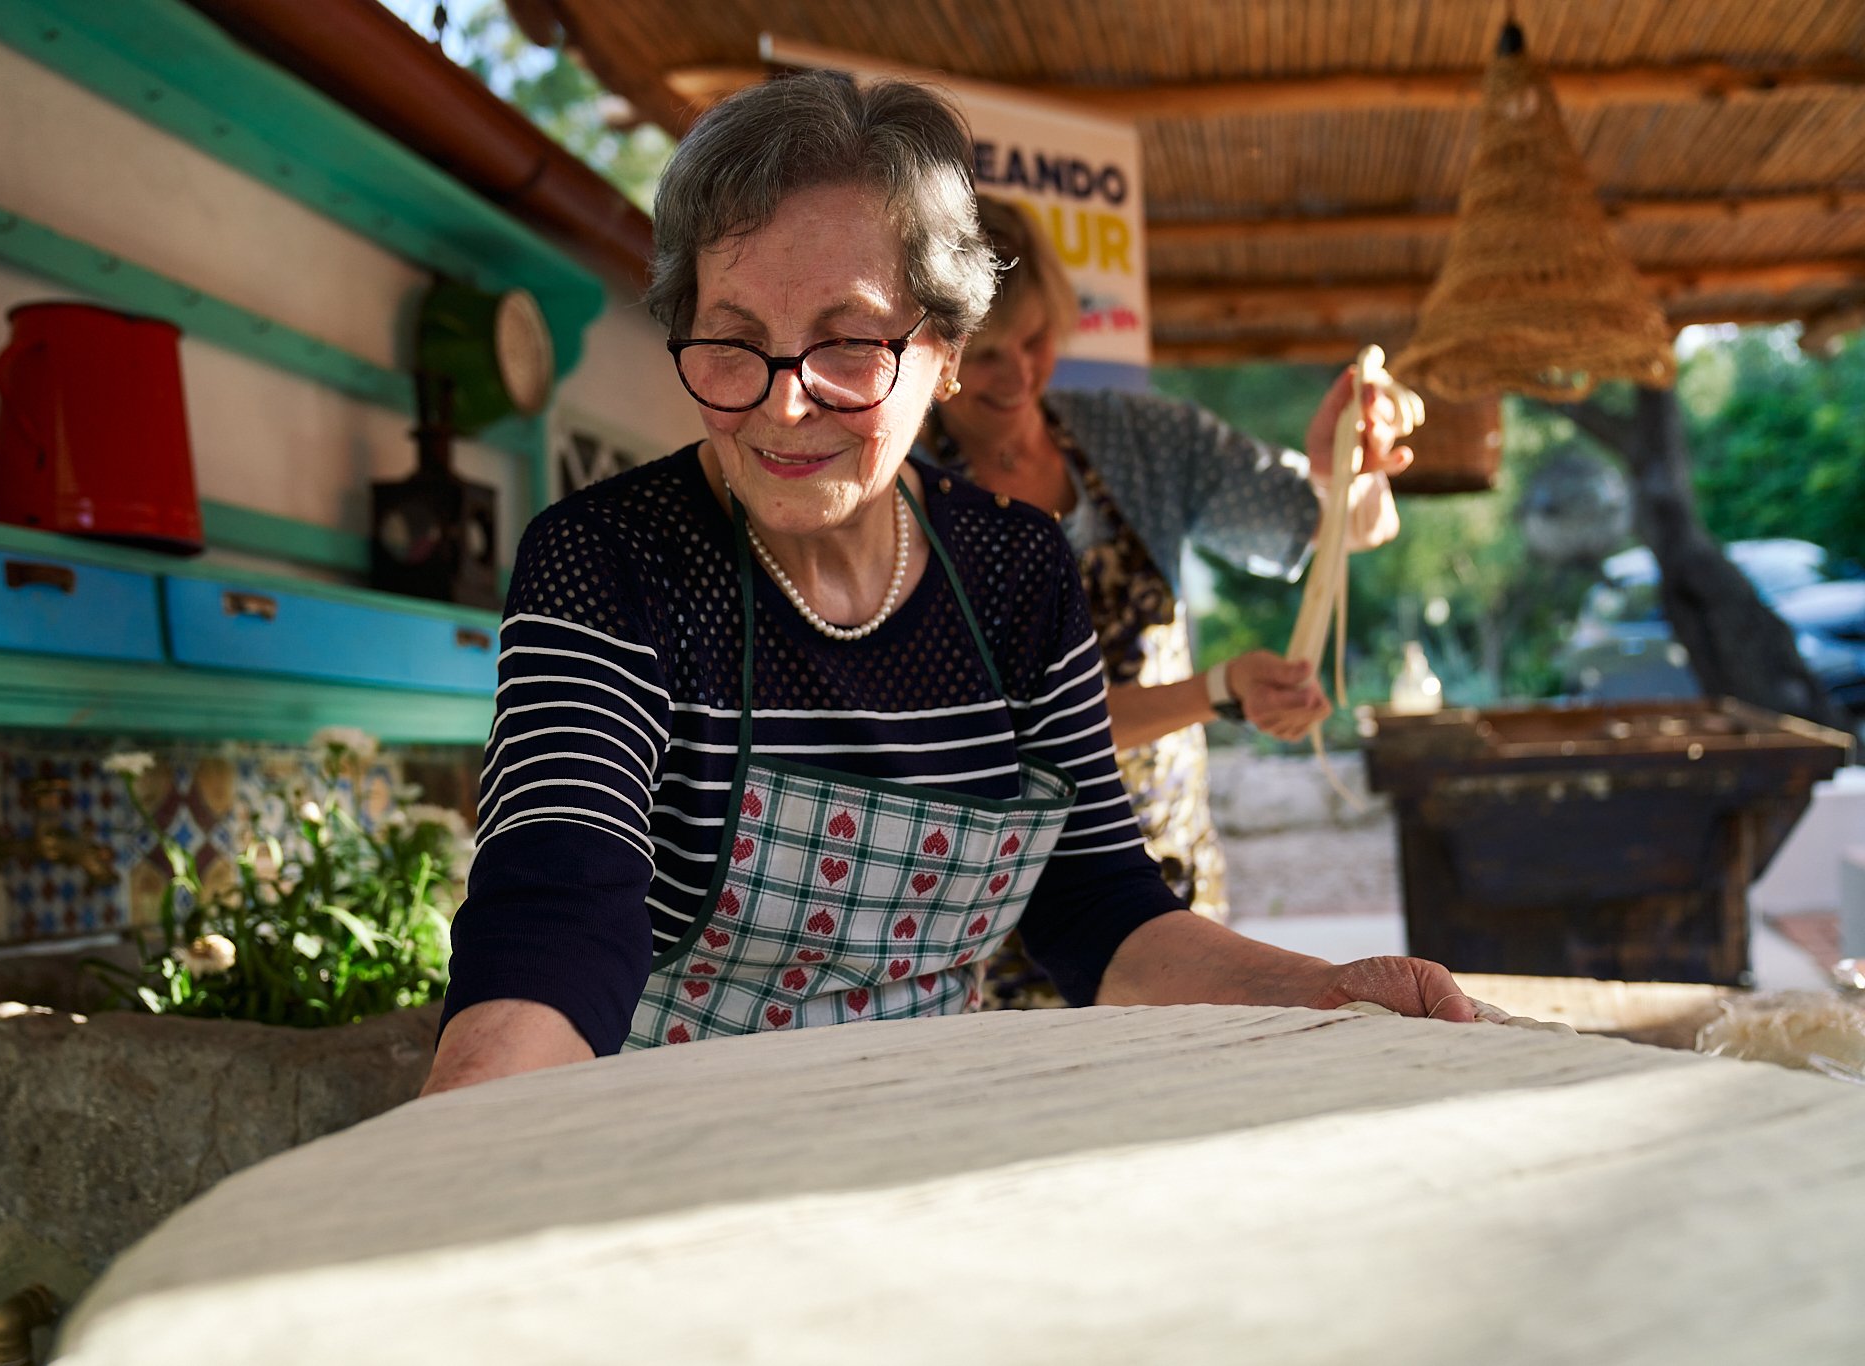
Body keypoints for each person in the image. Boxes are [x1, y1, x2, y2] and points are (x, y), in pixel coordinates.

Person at [422, 71, 1471, 1096]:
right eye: (735, 343)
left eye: (844, 343)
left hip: (922, 1126)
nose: (784, 408)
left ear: (947, 350)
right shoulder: (607, 558)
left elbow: (1097, 904)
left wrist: (1324, 989)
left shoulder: (1013, 569)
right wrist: (468, 1136)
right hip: (666, 1133)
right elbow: (558, 905)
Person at [923, 195, 1415, 939]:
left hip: (1171, 869)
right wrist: (1218, 691)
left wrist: (1346, 462)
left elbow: (1349, 526)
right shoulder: (904, 489)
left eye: (1036, 340)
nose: (1020, 375)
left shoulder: (1144, 438)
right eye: (987, 355)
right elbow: (1018, 733)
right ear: (933, 346)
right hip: (1000, 906)